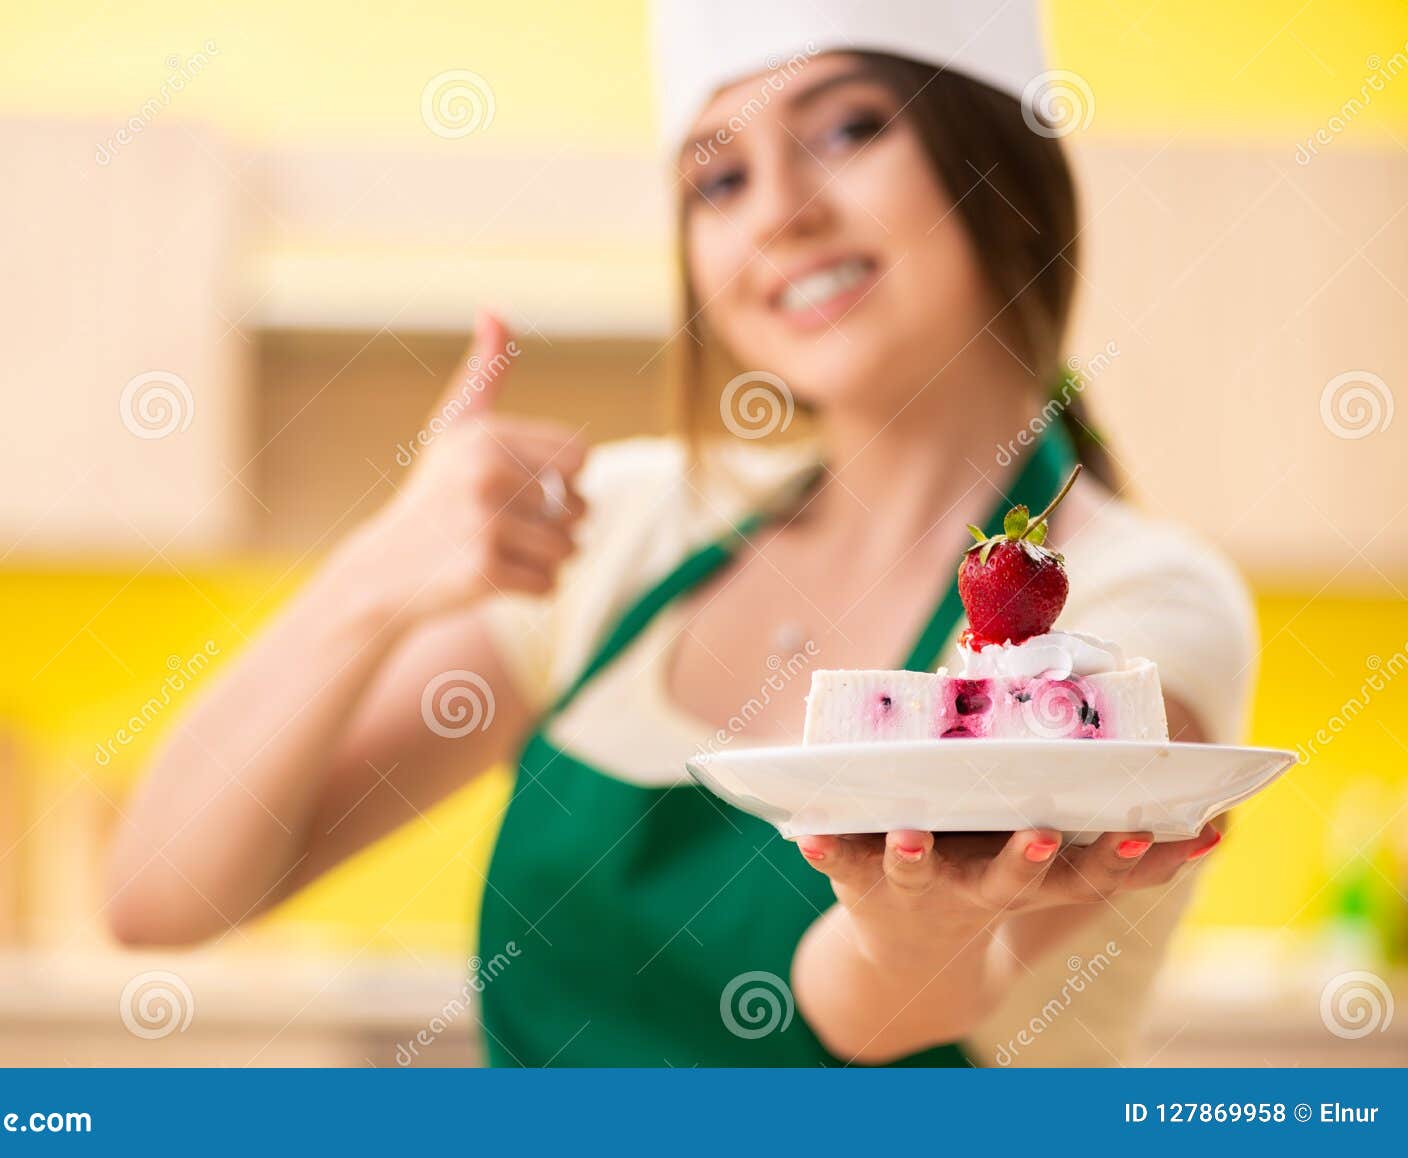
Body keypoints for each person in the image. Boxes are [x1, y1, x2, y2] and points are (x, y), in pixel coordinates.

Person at [106, 0, 1256, 1066]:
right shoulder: (627, 530)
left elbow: (881, 1014)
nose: (781, 212)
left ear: (994, 159)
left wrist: (912, 929)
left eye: (849, 128)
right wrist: (371, 578)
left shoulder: (1136, 608)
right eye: (717, 181)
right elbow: (162, 899)